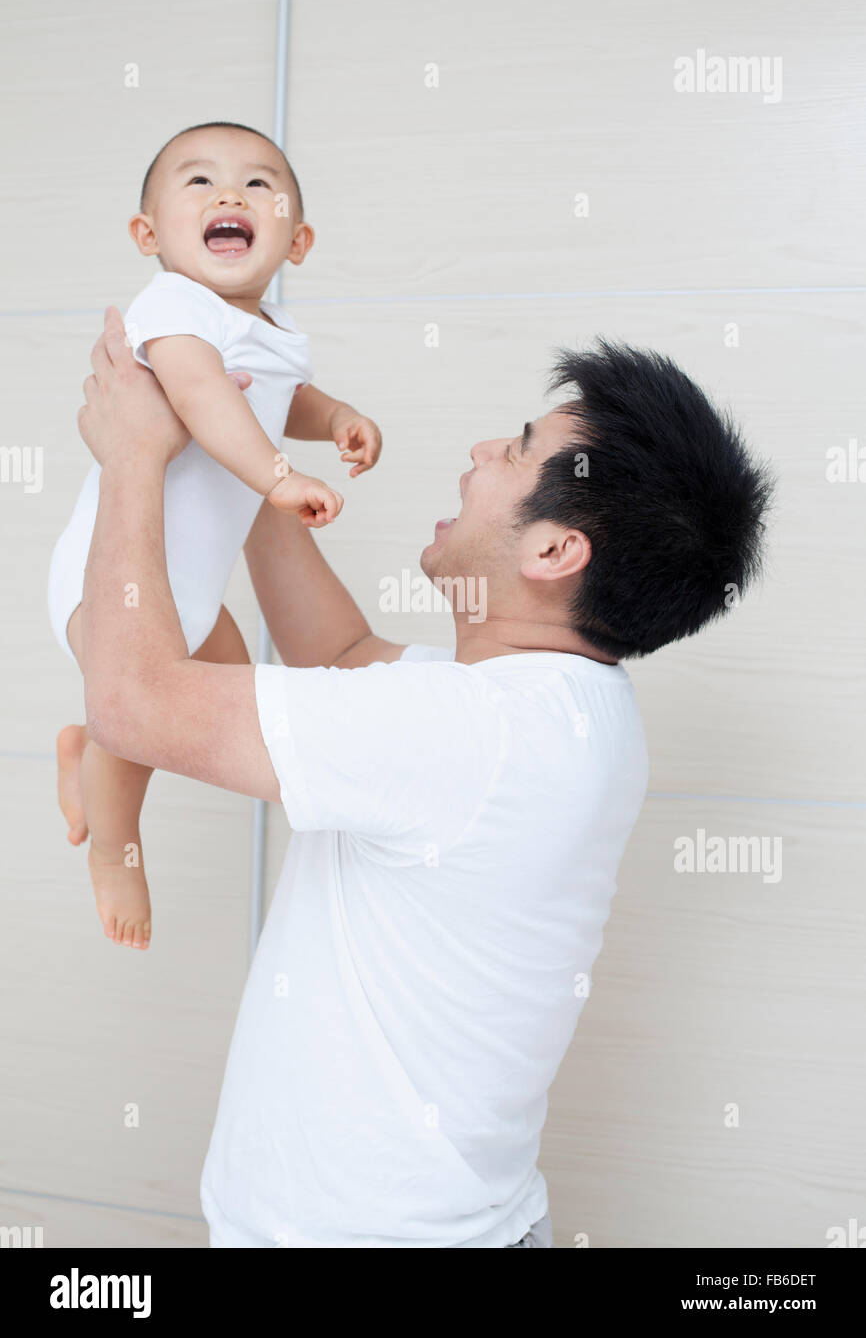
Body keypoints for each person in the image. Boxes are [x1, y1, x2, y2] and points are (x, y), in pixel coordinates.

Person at [74, 309, 773, 1248]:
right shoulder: (568, 706)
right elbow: (346, 653)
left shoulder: (473, 734)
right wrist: (243, 465)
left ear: (556, 551)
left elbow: (130, 704)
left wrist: (131, 461)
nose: (483, 450)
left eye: (518, 451)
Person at [48, 122, 382, 950]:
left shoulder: (269, 333)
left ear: (296, 241)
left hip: (189, 589)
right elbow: (200, 394)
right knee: (142, 724)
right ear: (148, 235)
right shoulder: (174, 306)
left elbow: (279, 395)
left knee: (222, 710)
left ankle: (82, 745)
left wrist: (333, 416)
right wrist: (278, 478)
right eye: (199, 182)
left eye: (260, 184)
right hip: (114, 580)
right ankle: (116, 849)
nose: (232, 195)